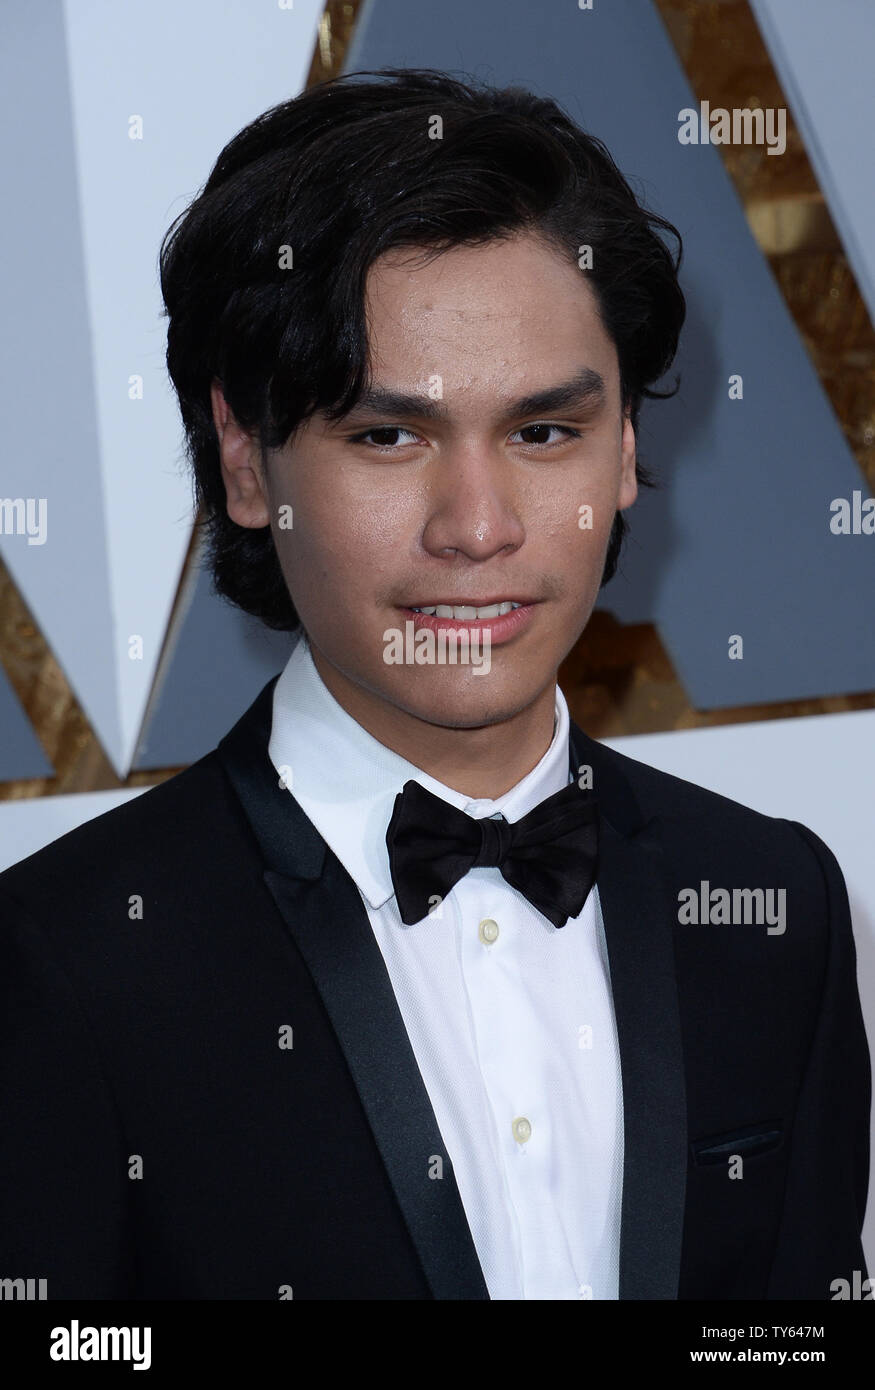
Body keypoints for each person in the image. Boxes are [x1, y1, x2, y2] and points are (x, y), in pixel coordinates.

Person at [0, 68, 868, 1301]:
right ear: (248, 461)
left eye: (542, 432)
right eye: (387, 436)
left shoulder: (769, 901)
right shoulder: (66, 963)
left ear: (625, 449)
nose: (476, 528)